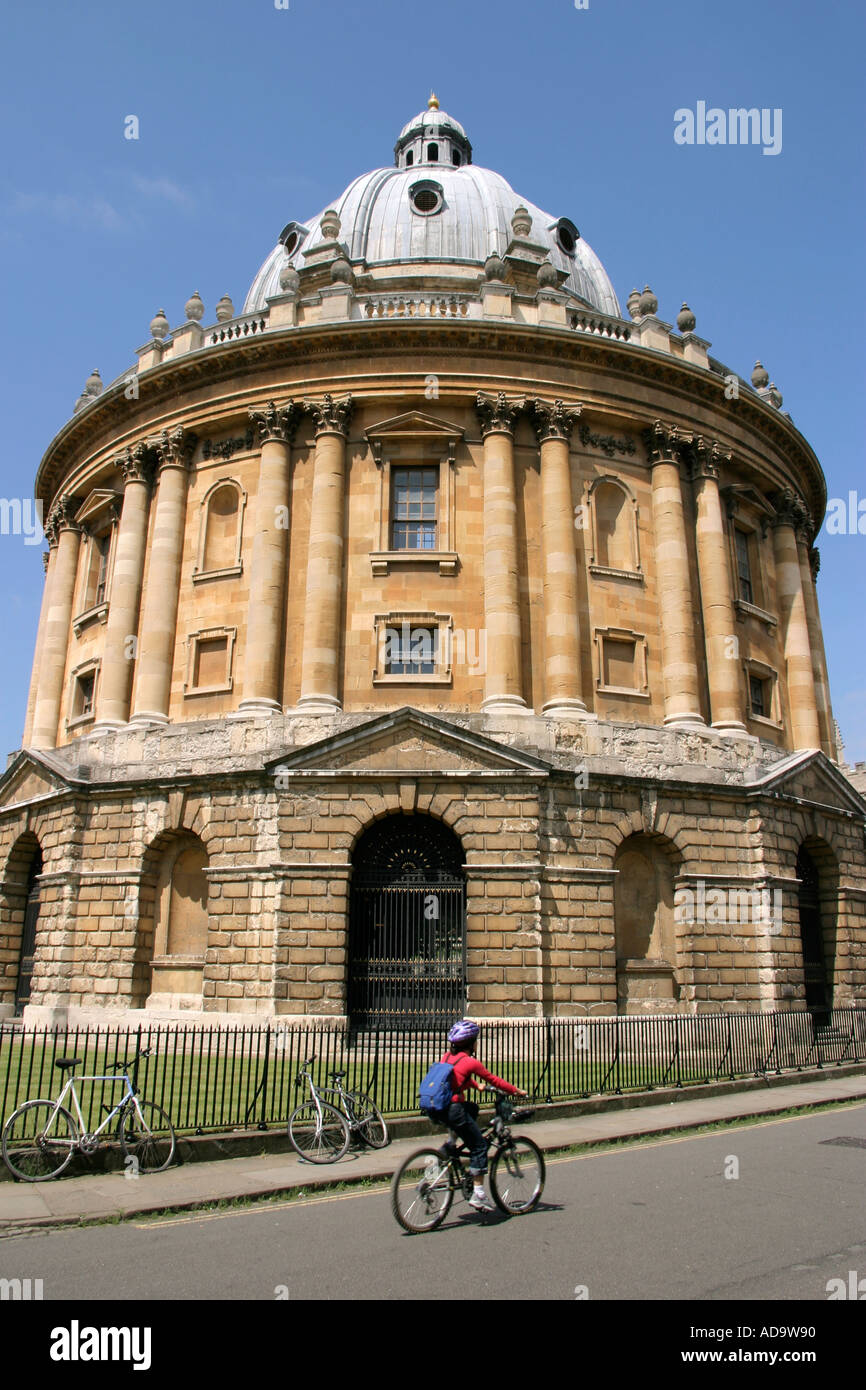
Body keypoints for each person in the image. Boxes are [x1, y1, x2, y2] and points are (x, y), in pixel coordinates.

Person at [435, 1018, 527, 1212]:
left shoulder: (446, 1057)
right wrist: (515, 1091)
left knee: (473, 1109)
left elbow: (456, 1078)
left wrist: (476, 1086)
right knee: (478, 1147)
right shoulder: (470, 1062)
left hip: (439, 1109)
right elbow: (495, 1080)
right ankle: (479, 1194)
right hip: (454, 1109)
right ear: (471, 1042)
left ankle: (448, 1148)